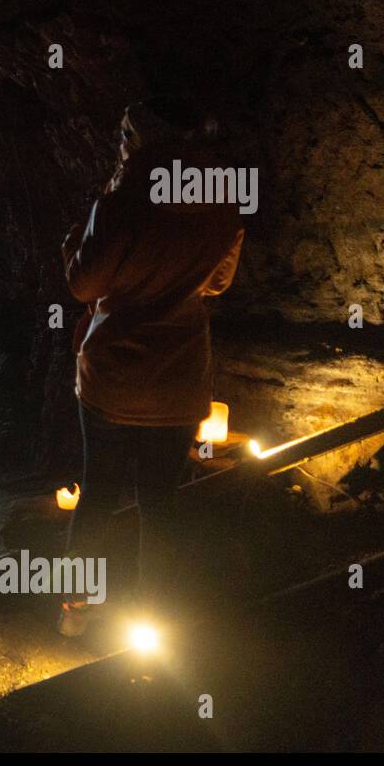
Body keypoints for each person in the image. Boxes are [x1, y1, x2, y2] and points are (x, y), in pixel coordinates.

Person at [58, 97, 244, 637]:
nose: (120, 144)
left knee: (98, 496)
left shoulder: (119, 207)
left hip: (112, 379)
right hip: (179, 379)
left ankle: (78, 614)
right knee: (163, 506)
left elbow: (83, 285)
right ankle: (155, 623)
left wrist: (73, 242)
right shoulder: (224, 208)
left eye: (125, 135)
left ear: (140, 142)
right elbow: (218, 284)